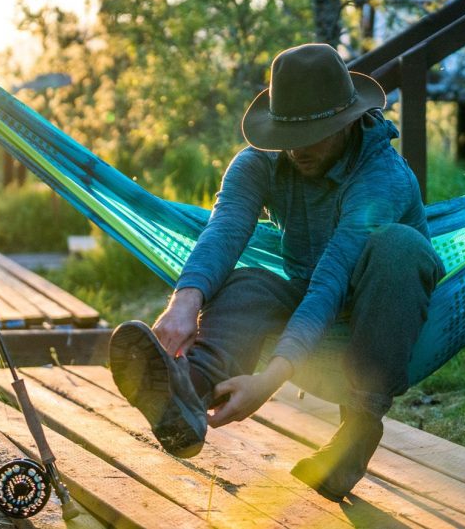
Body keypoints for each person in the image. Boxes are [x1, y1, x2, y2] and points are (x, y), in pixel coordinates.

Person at [109, 42, 444, 502]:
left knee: (397, 247)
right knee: (248, 282)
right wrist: (184, 304)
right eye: (287, 133)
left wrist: (268, 383)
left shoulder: (381, 176)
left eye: (313, 134)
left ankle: (360, 428)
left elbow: (333, 278)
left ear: (345, 124)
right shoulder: (260, 161)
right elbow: (224, 231)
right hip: (307, 296)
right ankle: (189, 391)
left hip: (386, 312)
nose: (296, 148)